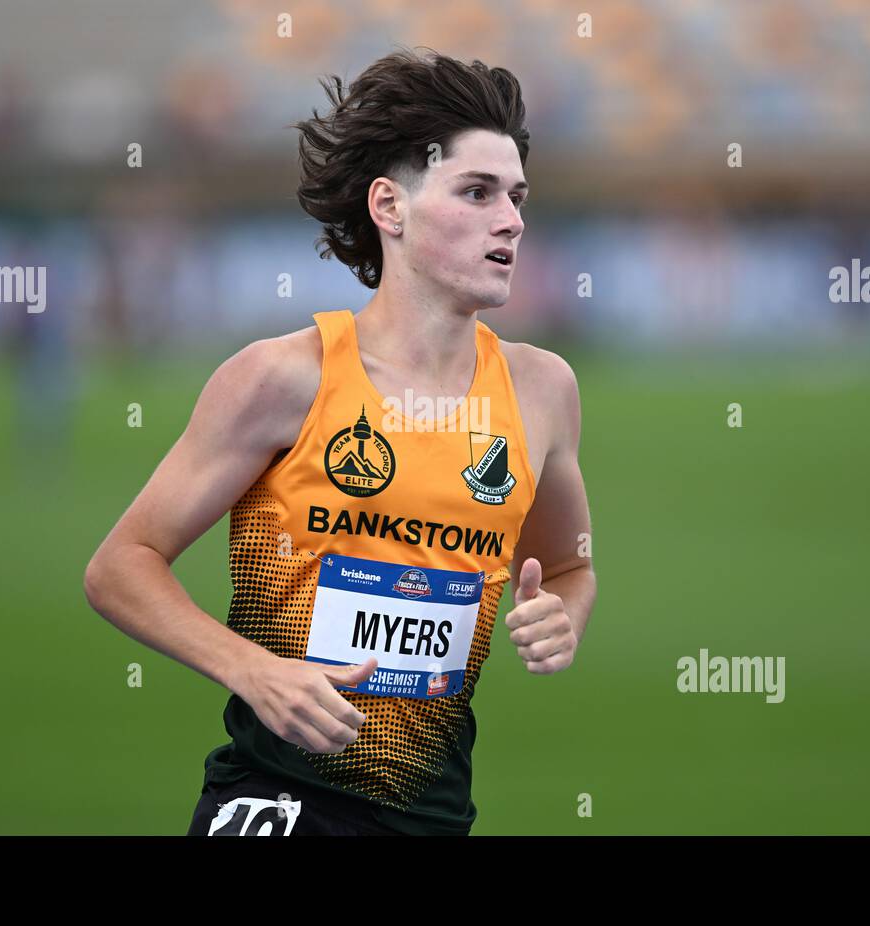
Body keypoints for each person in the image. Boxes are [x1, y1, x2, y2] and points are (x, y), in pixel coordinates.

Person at [83, 47, 596, 836]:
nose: (512, 219)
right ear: (389, 207)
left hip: (431, 815)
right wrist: (255, 671)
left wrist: (562, 614)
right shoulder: (282, 378)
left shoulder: (542, 391)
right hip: (274, 805)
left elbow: (567, 567)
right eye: (478, 191)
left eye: (518, 197)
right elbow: (121, 566)